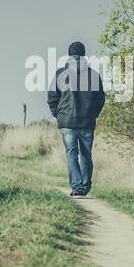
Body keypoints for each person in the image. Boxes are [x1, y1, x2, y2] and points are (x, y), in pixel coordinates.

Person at [47, 41, 106, 196]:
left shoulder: (61, 74)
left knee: (71, 154)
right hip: (87, 122)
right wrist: (93, 114)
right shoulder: (93, 74)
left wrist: (58, 114)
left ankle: (77, 188)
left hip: (67, 122)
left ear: (69, 55)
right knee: (86, 154)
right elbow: (100, 99)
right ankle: (85, 186)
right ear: (83, 55)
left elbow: (52, 98)